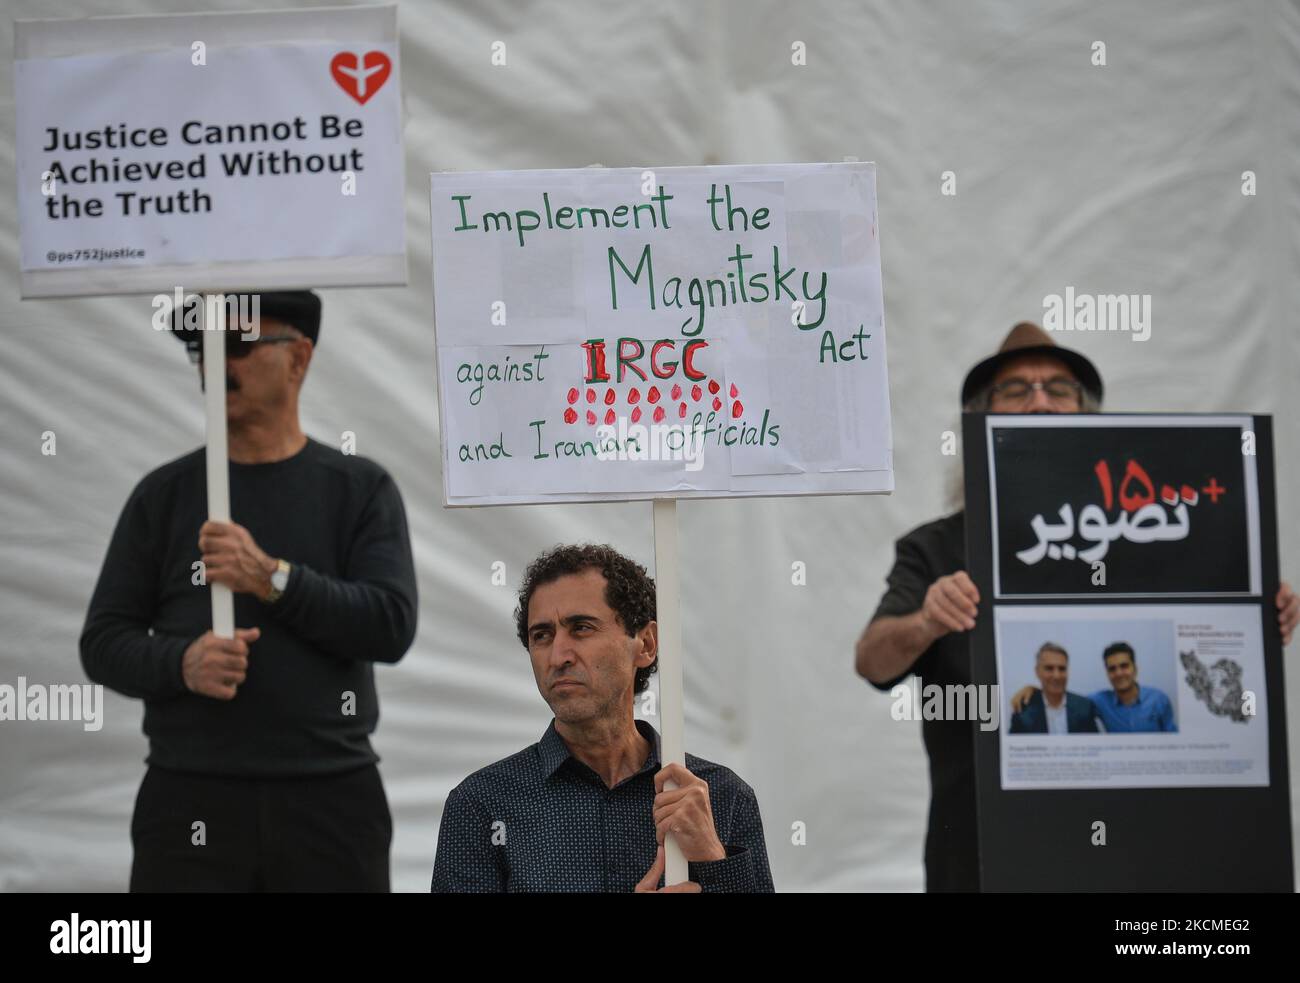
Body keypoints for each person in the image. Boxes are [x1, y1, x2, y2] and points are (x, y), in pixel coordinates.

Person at [853, 321, 1297, 892]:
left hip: (1131, 856)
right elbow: (872, 661)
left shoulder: (1152, 533)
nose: (1039, 402)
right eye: (1015, 391)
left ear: (1091, 419)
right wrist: (925, 621)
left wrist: (1257, 613)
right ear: (977, 424)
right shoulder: (936, 547)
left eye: (1059, 389)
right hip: (980, 853)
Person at [80, 290, 417, 892]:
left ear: (299, 358)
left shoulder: (358, 489)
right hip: (190, 798)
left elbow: (390, 625)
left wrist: (273, 579)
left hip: (330, 797)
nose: (216, 363)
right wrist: (181, 662)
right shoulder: (164, 496)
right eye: (200, 347)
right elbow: (103, 641)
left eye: (235, 343)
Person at [431, 544, 774, 893]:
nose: (558, 656)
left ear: (646, 644)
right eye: (542, 636)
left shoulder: (721, 797)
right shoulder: (481, 805)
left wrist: (712, 858)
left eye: (581, 628)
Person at [1011, 642, 1176, 732]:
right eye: (1112, 669)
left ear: (1135, 668)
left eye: (1124, 666)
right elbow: (1060, 695)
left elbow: (1174, 739)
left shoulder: (1158, 699)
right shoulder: (1098, 701)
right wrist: (1033, 689)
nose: (1119, 673)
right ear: (1107, 673)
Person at [1008, 643, 1100, 734]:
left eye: (1062, 669)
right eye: (1049, 668)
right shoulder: (1023, 710)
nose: (1056, 676)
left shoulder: (1085, 707)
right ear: (1037, 671)